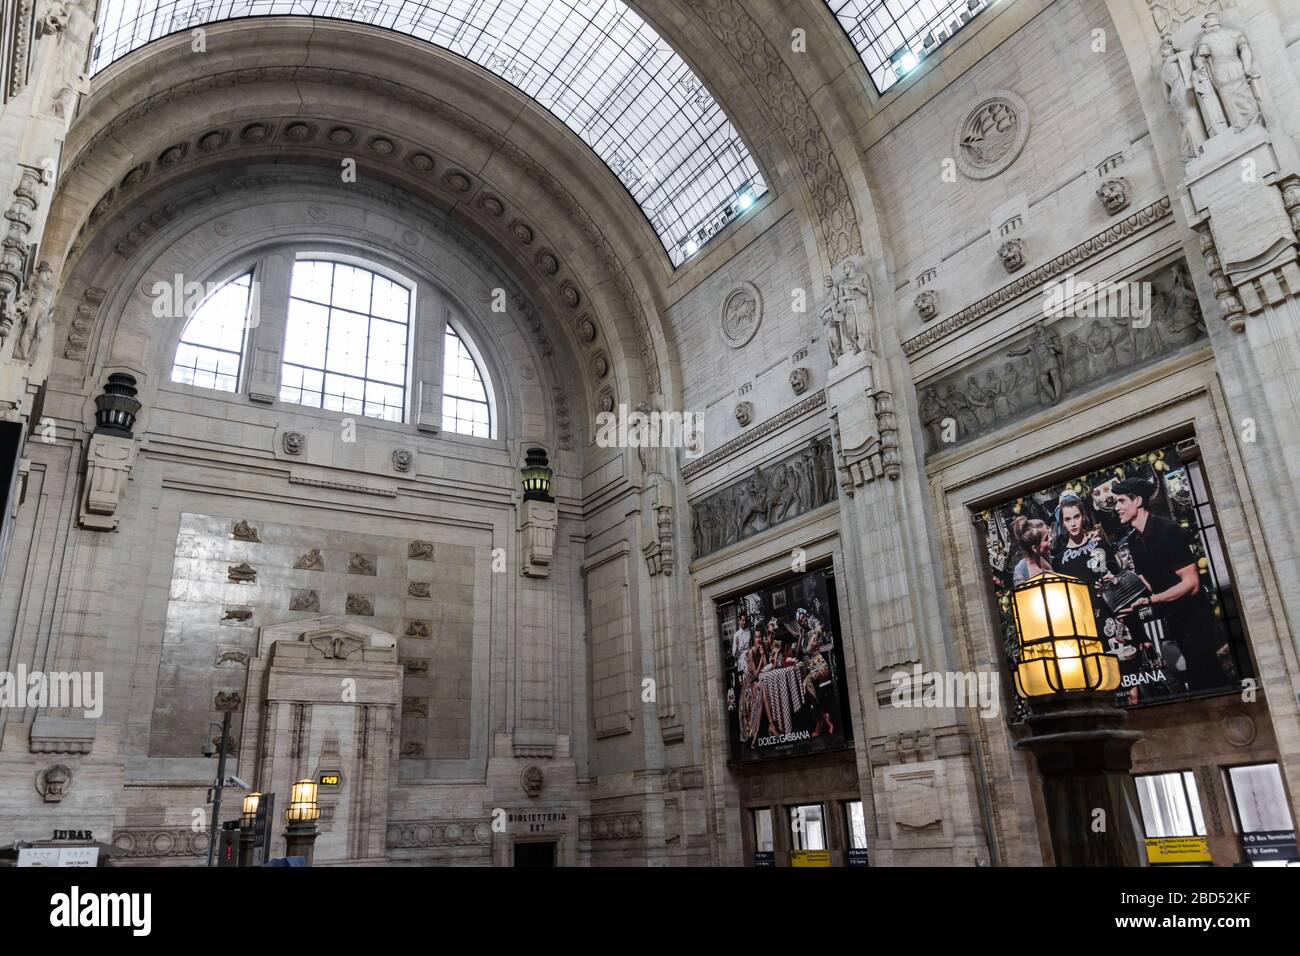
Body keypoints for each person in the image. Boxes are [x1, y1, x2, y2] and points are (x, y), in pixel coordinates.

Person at [1053, 492, 1169, 704]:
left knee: (1131, 689)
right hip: (1086, 629)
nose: (1073, 523)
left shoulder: (1099, 544)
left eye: (1076, 517)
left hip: (1116, 621)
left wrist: (1111, 578)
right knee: (1103, 689)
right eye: (1068, 519)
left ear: (1084, 517)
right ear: (1062, 522)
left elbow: (1122, 581)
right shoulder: (1059, 561)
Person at [1112, 476, 1226, 692]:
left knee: (1208, 682)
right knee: (1191, 685)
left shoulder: (1167, 530)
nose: (1116, 508)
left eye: (1121, 501)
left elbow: (1191, 583)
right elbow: (1148, 581)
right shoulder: (1134, 541)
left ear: (1137, 501)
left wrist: (1152, 600)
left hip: (1195, 620)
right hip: (1173, 621)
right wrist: (1119, 584)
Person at [1010, 516, 1054, 582]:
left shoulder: (1048, 556)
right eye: (1046, 539)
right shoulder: (1021, 572)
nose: (1051, 538)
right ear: (1035, 548)